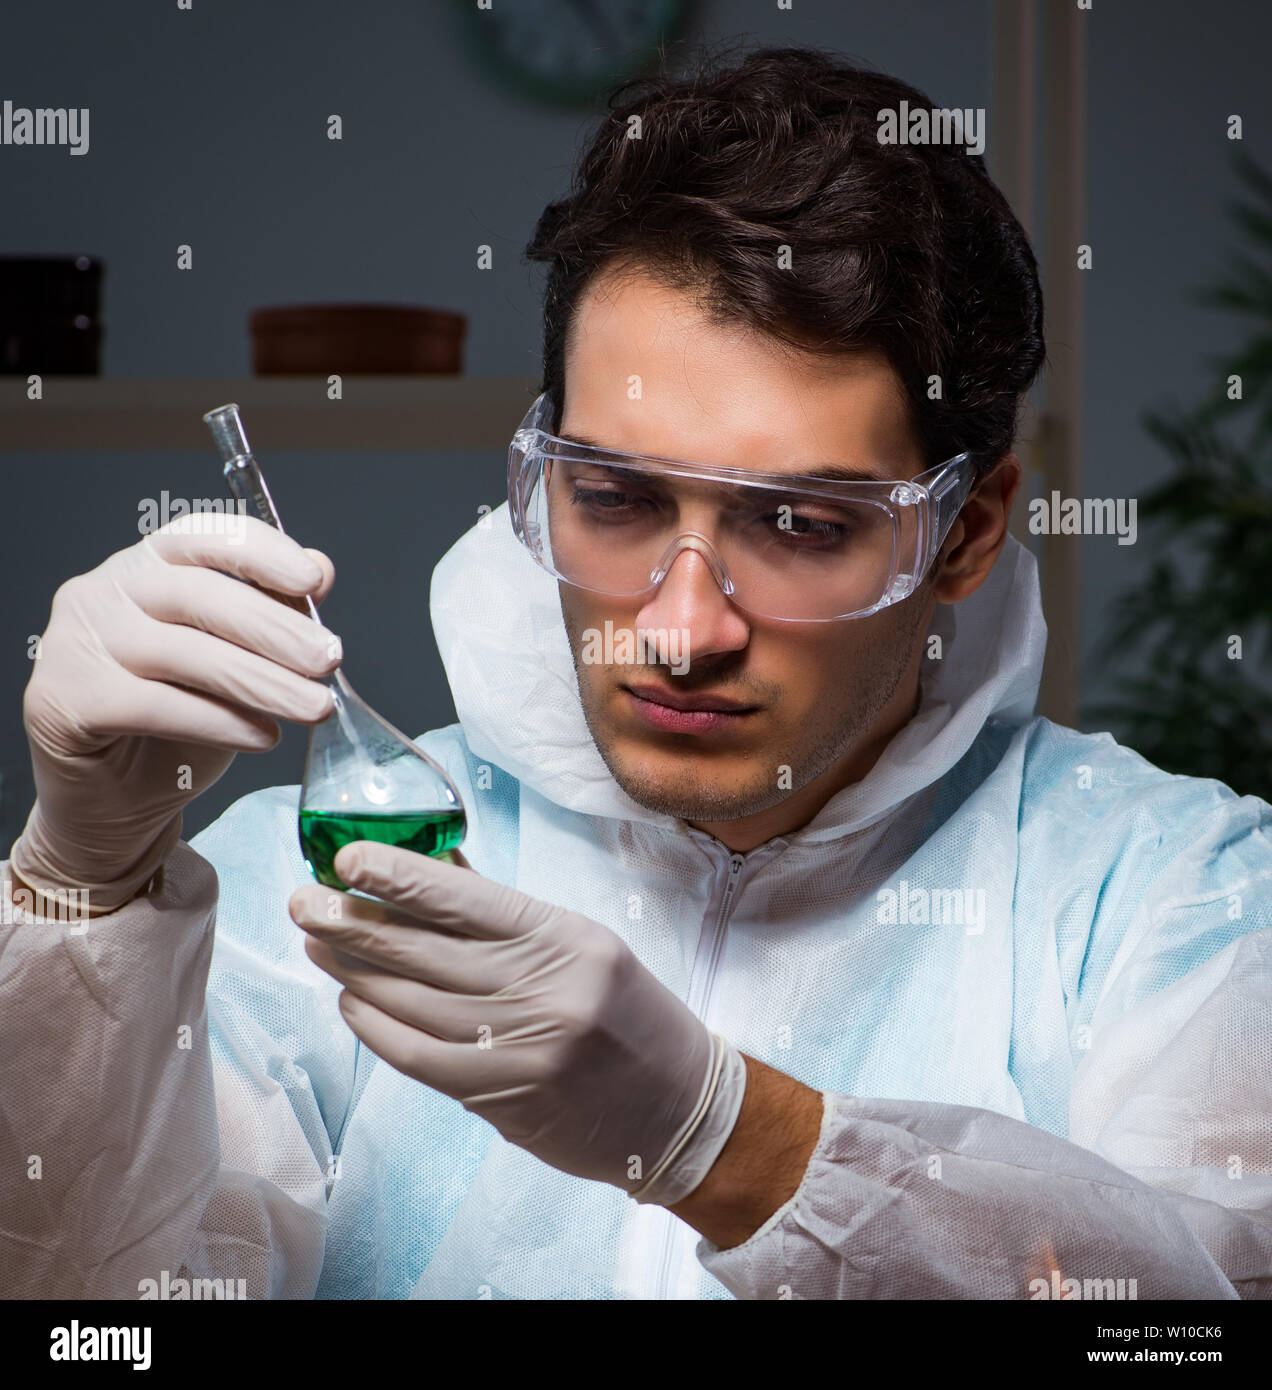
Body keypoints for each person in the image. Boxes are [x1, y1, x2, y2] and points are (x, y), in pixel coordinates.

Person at [3, 47, 1270, 1301]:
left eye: (801, 525)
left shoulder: (1166, 908)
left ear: (966, 532)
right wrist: (83, 896)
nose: (677, 630)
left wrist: (740, 1144)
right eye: (611, 497)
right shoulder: (317, 886)